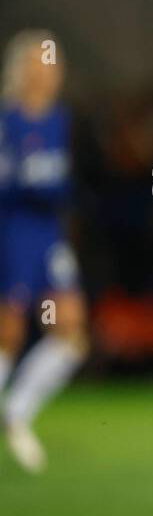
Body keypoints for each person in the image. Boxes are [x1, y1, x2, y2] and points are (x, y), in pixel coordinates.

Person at [0, 30, 88, 473]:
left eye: (53, 62)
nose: (49, 70)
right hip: (12, 232)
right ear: (22, 69)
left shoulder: (59, 118)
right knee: (9, 333)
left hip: (47, 236)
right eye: (41, 61)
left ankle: (16, 413)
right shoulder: (7, 119)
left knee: (71, 332)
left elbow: (59, 183)